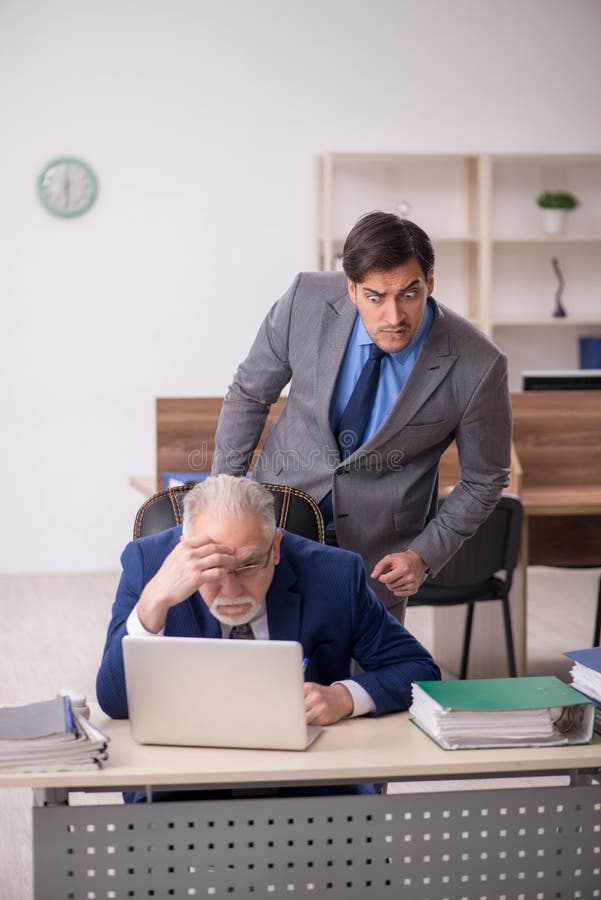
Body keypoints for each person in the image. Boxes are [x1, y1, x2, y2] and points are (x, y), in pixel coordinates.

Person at [211, 212, 512, 622]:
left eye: (409, 293)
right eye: (375, 297)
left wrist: (424, 554)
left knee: (355, 684)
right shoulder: (305, 299)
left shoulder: (478, 363)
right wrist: (222, 497)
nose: (394, 316)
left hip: (376, 561)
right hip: (275, 529)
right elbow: (250, 393)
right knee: (266, 668)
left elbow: (485, 477)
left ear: (431, 282)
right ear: (351, 288)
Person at [97, 475, 439, 800]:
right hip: (179, 780)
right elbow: (113, 701)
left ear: (275, 546)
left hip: (306, 782)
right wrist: (152, 604)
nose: (230, 591)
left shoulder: (334, 575)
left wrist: (343, 697)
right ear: (185, 550)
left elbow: (418, 667)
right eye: (211, 570)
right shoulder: (147, 565)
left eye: (248, 566)